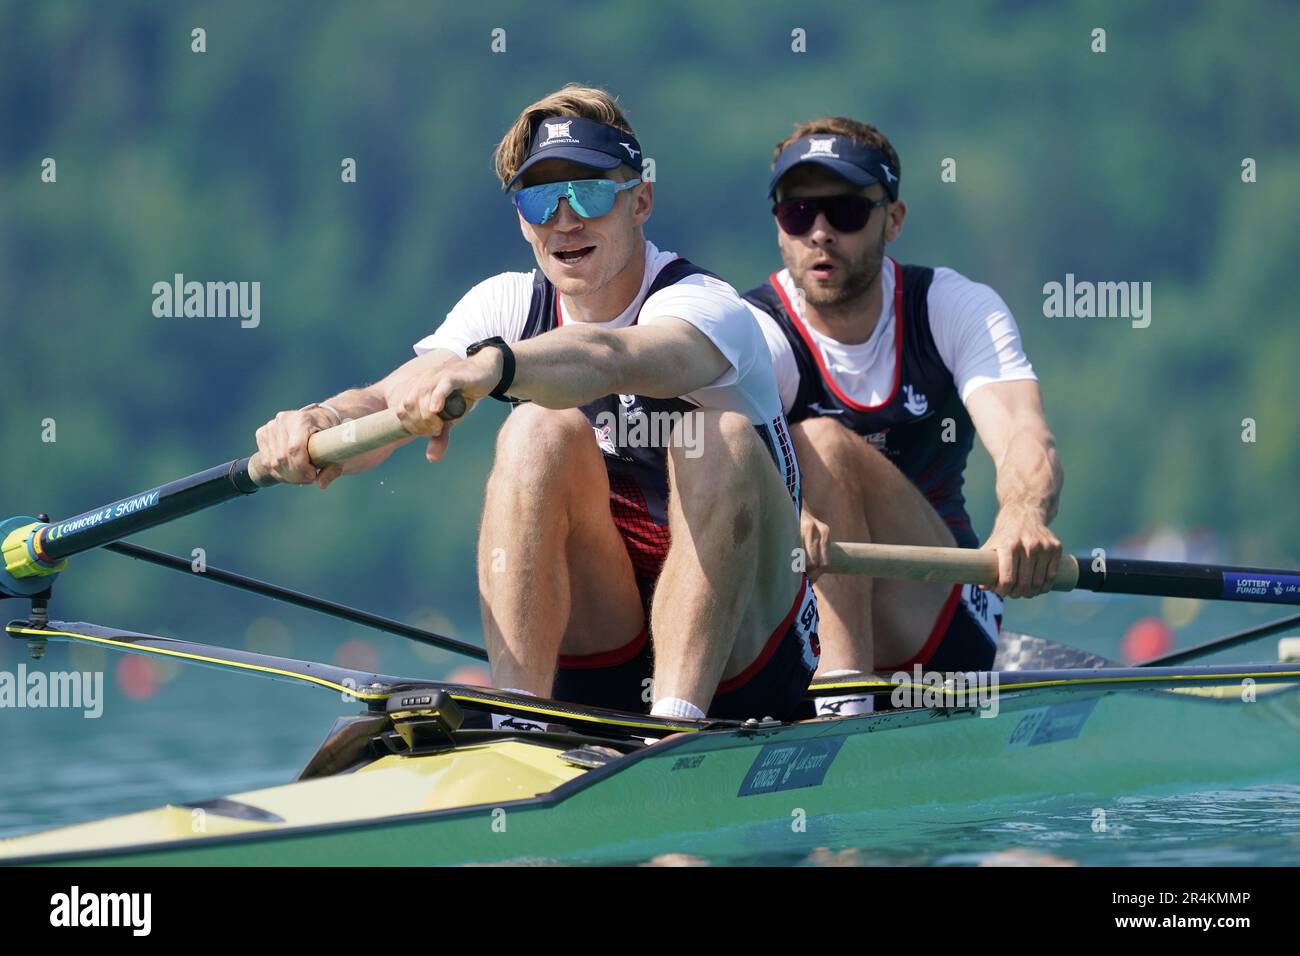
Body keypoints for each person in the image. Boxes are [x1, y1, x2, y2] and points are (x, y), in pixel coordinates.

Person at [251, 85, 817, 723]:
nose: (565, 221)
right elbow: (386, 399)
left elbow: (614, 357)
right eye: (541, 200)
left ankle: (676, 726)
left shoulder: (705, 304)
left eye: (590, 193)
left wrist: (497, 366)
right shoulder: (505, 304)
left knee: (717, 437)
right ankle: (517, 718)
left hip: (750, 658)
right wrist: (321, 422)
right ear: (523, 222)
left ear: (641, 202)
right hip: (608, 643)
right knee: (535, 429)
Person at [743, 117, 1063, 716]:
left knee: (824, 443)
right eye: (797, 212)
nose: (820, 233)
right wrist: (780, 509)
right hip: (795, 620)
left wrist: (1022, 513)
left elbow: (1023, 432)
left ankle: (844, 705)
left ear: (893, 219)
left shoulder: (951, 308)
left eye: (845, 211)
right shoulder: (756, 330)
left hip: (943, 629)